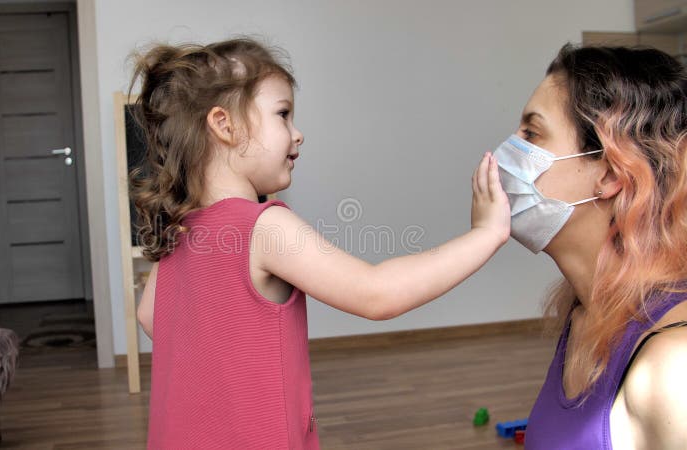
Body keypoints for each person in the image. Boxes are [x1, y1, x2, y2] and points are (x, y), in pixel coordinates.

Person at [131, 38, 509, 449]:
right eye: (283, 114)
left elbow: (151, 317)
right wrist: (484, 235)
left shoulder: (180, 231)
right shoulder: (265, 227)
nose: (298, 133)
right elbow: (376, 294)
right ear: (225, 126)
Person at [492, 44, 687, 449]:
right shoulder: (584, 314)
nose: (503, 154)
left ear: (611, 174)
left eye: (532, 133)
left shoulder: (671, 366)